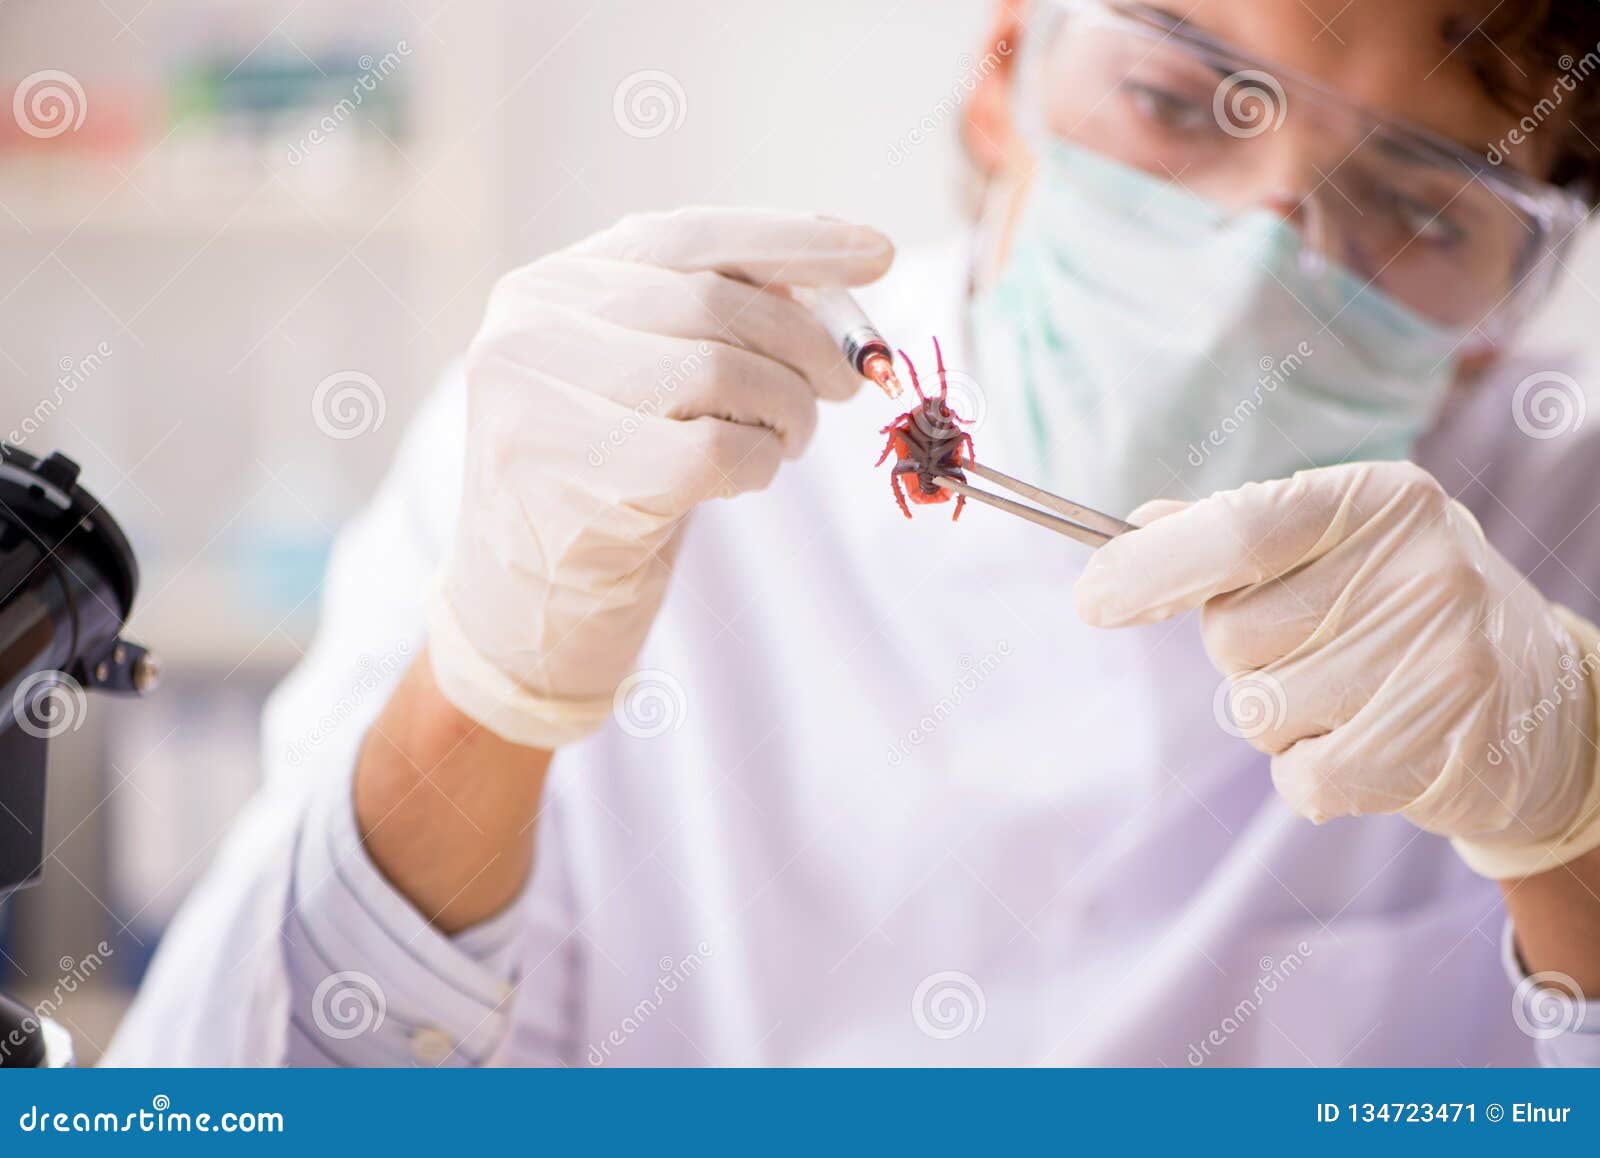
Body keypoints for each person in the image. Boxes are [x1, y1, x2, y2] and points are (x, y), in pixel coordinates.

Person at [109, 0, 1600, 1066]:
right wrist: (485, 693)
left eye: (1416, 207)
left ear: (1506, 312)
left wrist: (1573, 823)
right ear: (1004, 73)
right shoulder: (622, 429)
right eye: (1179, 99)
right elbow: (235, 1093)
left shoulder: (1569, 522)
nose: (1254, 267)